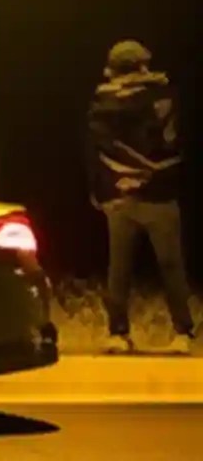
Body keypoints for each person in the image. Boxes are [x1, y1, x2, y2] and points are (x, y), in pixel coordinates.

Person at [87, 40, 193, 354]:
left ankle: (183, 331)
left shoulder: (162, 98)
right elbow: (96, 148)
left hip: (156, 197)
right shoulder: (105, 102)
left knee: (170, 265)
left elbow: (165, 142)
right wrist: (101, 189)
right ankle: (118, 333)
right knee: (119, 270)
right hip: (123, 199)